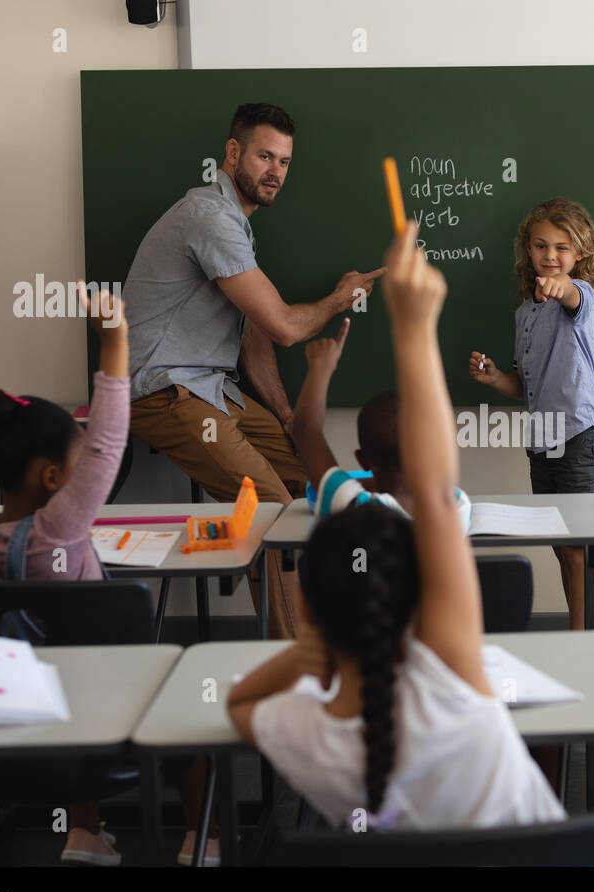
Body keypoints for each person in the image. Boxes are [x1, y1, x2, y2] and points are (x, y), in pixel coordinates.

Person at [228, 223, 564, 829]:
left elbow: (240, 703)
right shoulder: (454, 674)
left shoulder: (306, 734)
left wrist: (311, 650)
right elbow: (435, 495)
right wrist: (415, 326)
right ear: (423, 586)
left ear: (308, 608)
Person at [122, 102, 384, 643]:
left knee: (312, 482)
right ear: (233, 152)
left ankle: (334, 628)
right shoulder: (210, 218)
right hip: (163, 390)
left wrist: (286, 416)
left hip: (212, 388)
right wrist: (341, 298)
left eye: (285, 162)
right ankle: (299, 661)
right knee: (273, 510)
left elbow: (256, 334)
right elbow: (287, 327)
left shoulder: (235, 225)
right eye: (265, 156)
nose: (275, 171)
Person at [0, 288, 134, 864]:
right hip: (104, 714)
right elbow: (107, 445)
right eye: (73, 472)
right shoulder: (62, 528)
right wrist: (116, 340)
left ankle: (86, 833)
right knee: (191, 730)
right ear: (52, 478)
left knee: (63, 674)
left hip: (14, 720)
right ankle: (206, 839)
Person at [469, 197, 594, 630]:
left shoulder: (580, 294)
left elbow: (569, 293)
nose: (550, 257)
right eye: (540, 246)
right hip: (542, 438)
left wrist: (560, 286)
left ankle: (580, 641)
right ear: (527, 250)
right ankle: (578, 633)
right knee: (561, 546)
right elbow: (525, 386)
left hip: (580, 439)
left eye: (562, 248)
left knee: (577, 550)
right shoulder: (524, 313)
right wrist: (496, 379)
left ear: (580, 254)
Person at [289, 317, 471, 529]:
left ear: (362, 461)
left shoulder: (350, 505)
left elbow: (305, 430)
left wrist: (320, 368)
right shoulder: (455, 506)